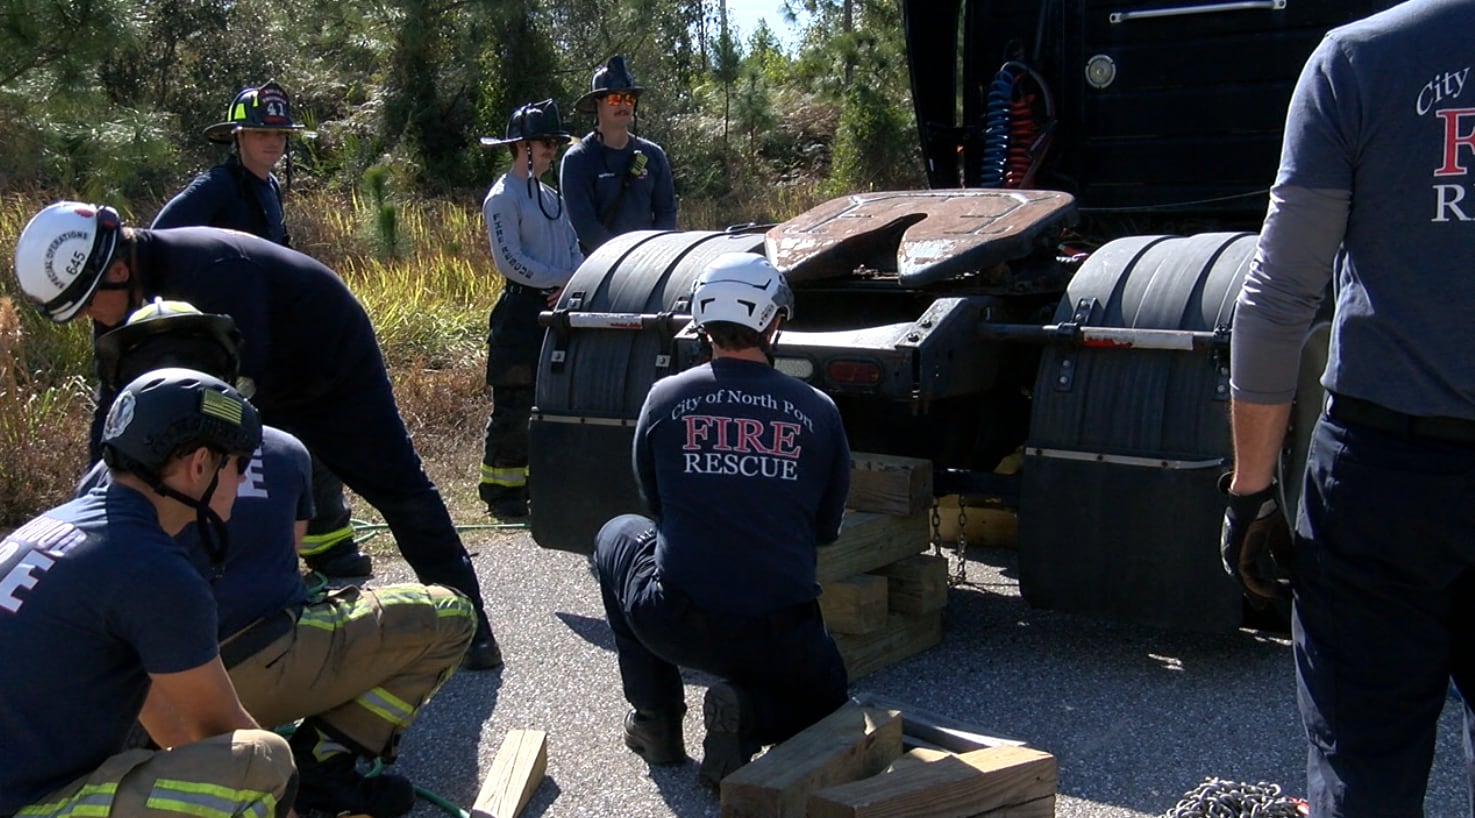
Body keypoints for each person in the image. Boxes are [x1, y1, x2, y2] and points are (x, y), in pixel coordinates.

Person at [12, 200, 503, 671]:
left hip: (330, 370)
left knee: (398, 490)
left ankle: (469, 625)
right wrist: (92, 500)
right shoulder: (121, 300)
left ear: (117, 270)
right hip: (258, 377)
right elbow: (117, 406)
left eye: (87, 307)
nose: (91, 320)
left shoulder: (211, 270)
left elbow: (233, 394)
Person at [1221, 1, 1475, 814]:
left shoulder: (1358, 60)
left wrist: (1250, 489)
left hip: (1383, 479)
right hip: (1385, 466)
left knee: (1362, 765)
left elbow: (1280, 290)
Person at [81, 300, 476, 818]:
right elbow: (293, 561)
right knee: (450, 616)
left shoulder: (102, 481)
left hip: (148, 707)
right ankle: (325, 763)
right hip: (265, 664)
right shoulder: (284, 449)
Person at [593, 252, 851, 788]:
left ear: (703, 321)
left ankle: (656, 722)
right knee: (829, 710)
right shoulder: (819, 409)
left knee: (618, 535)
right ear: (774, 322)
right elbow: (825, 528)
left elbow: (655, 505)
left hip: (676, 620)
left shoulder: (666, 397)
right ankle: (750, 717)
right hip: (781, 633)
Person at [0, 367, 298, 818]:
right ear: (201, 465)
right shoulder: (151, 569)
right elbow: (218, 730)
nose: (239, 482)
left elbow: (156, 703)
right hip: (26, 803)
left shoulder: (67, 522)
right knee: (263, 761)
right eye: (237, 465)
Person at [153, 80, 372, 580]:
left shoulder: (268, 187)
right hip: (226, 349)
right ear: (238, 136)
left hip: (272, 339)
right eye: (259, 133)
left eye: (279, 134)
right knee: (233, 449)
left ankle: (328, 542)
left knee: (308, 429)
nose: (272, 142)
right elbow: (159, 240)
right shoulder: (215, 188)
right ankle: (230, 554)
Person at [475, 98, 584, 519]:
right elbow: (511, 260)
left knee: (551, 401)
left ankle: (541, 483)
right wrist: (556, 279)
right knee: (514, 406)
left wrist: (572, 282)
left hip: (559, 309)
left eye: (555, 144)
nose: (551, 151)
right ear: (522, 145)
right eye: (545, 143)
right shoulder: (502, 198)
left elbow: (573, 247)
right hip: (520, 314)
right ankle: (502, 492)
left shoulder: (553, 197)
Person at [559, 55, 678, 254]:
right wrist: (622, 258)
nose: (623, 105)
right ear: (598, 103)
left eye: (629, 98)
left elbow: (666, 213)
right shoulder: (577, 160)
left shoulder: (653, 155)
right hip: (599, 269)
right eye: (614, 98)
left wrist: (653, 253)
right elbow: (586, 227)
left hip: (649, 265)